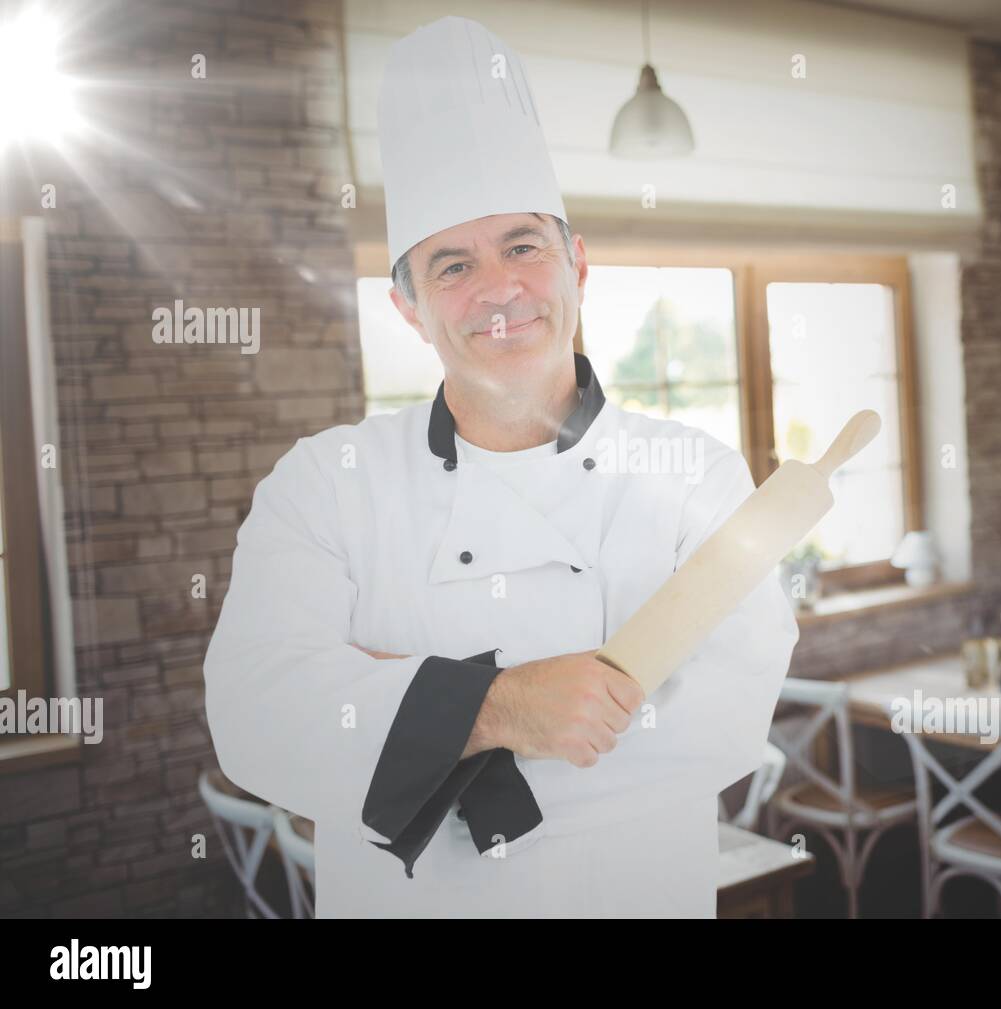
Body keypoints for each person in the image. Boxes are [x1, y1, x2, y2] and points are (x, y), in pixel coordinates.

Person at [203, 16, 799, 918]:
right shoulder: (324, 483)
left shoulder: (695, 477)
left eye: (523, 245)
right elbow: (256, 717)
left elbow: (724, 721)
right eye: (452, 266)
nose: (499, 290)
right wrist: (504, 706)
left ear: (576, 265)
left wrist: (404, 712)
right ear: (409, 307)